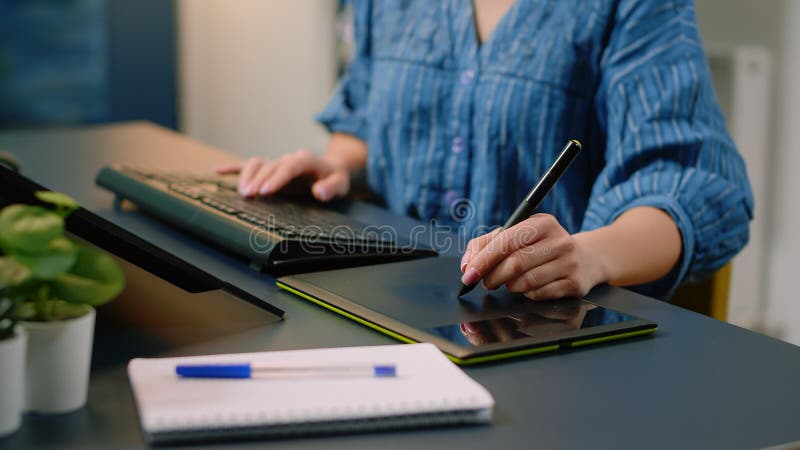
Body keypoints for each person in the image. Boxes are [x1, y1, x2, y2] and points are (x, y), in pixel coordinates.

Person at [218, 0, 753, 301]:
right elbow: (363, 112)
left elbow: (691, 185)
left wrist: (590, 255)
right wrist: (339, 163)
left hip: (546, 345)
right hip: (383, 306)